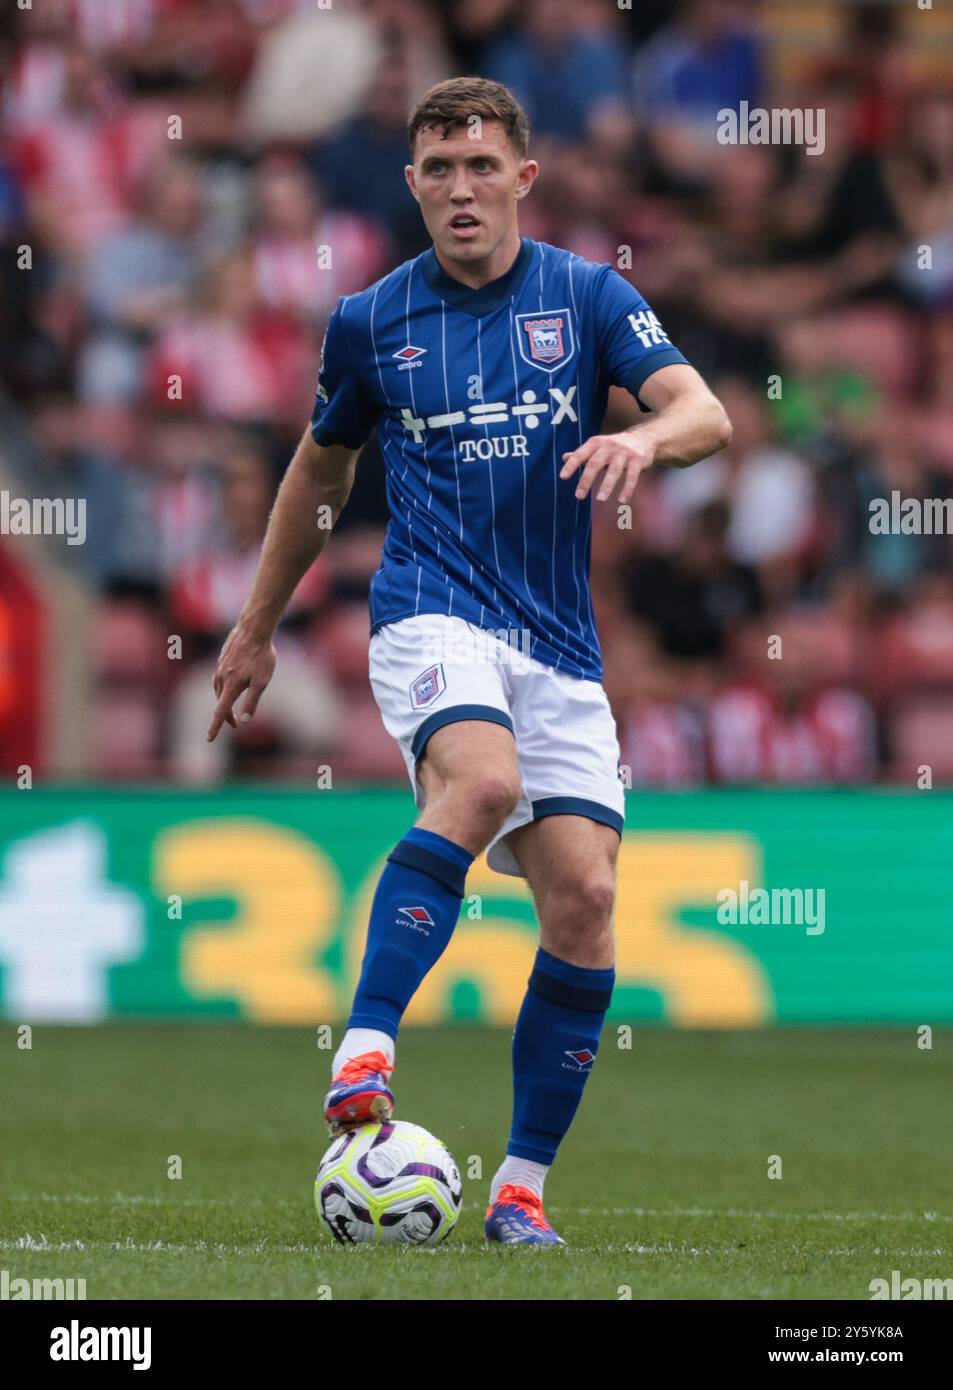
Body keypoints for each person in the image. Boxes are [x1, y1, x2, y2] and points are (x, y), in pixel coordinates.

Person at [206, 77, 731, 1245]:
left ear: (522, 179)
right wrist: (254, 627)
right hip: (430, 612)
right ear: (410, 184)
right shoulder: (371, 321)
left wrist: (640, 437)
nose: (459, 188)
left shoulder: (588, 297)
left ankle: (519, 1193)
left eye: (480, 166)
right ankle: (363, 1049)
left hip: (558, 644)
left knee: (586, 899)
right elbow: (319, 475)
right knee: (481, 781)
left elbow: (706, 414)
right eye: (437, 169)